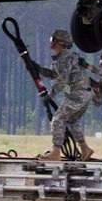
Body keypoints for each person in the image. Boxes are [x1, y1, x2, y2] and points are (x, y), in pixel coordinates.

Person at [35, 29, 94, 161]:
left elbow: (62, 80)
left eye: (53, 40)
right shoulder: (64, 58)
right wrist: (39, 69)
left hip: (78, 94)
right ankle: (85, 149)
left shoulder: (64, 57)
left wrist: (49, 95)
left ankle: (56, 152)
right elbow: (55, 75)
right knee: (71, 121)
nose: (51, 42)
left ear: (60, 42)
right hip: (85, 94)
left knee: (58, 119)